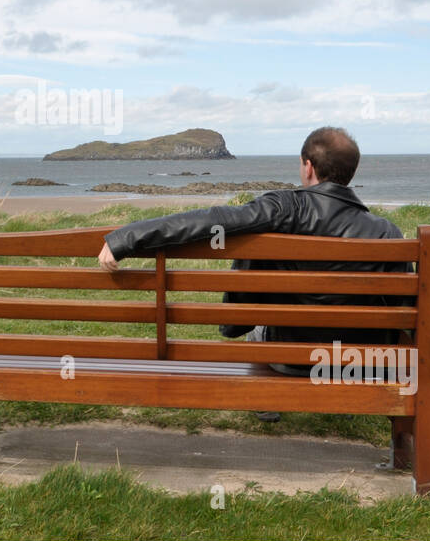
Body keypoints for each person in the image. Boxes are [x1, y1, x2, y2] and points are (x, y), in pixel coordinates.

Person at [96, 126, 411, 420]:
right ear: (350, 172)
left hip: (288, 359)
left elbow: (215, 219)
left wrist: (126, 238)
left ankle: (267, 403)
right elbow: (404, 310)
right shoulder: (386, 232)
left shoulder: (286, 207)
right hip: (355, 365)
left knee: (258, 329)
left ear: (308, 167)